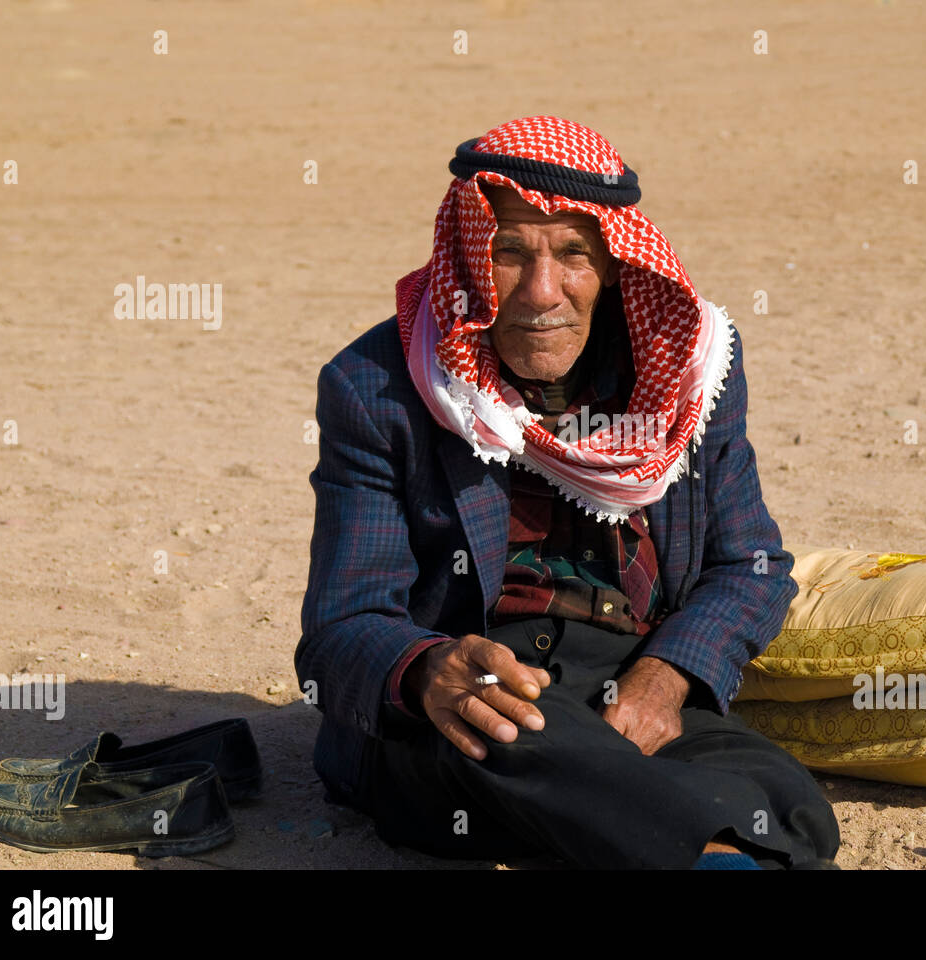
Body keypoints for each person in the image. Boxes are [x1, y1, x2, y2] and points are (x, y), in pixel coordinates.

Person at [296, 116, 840, 869]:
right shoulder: (378, 385)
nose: (540, 292)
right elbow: (340, 629)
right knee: (506, 738)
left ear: (616, 263)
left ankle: (643, 833)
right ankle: (703, 854)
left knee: (787, 800)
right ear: (467, 258)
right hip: (471, 695)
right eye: (509, 253)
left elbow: (750, 564)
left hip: (623, 680)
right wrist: (429, 670)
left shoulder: (685, 370)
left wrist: (665, 675)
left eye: (573, 256)